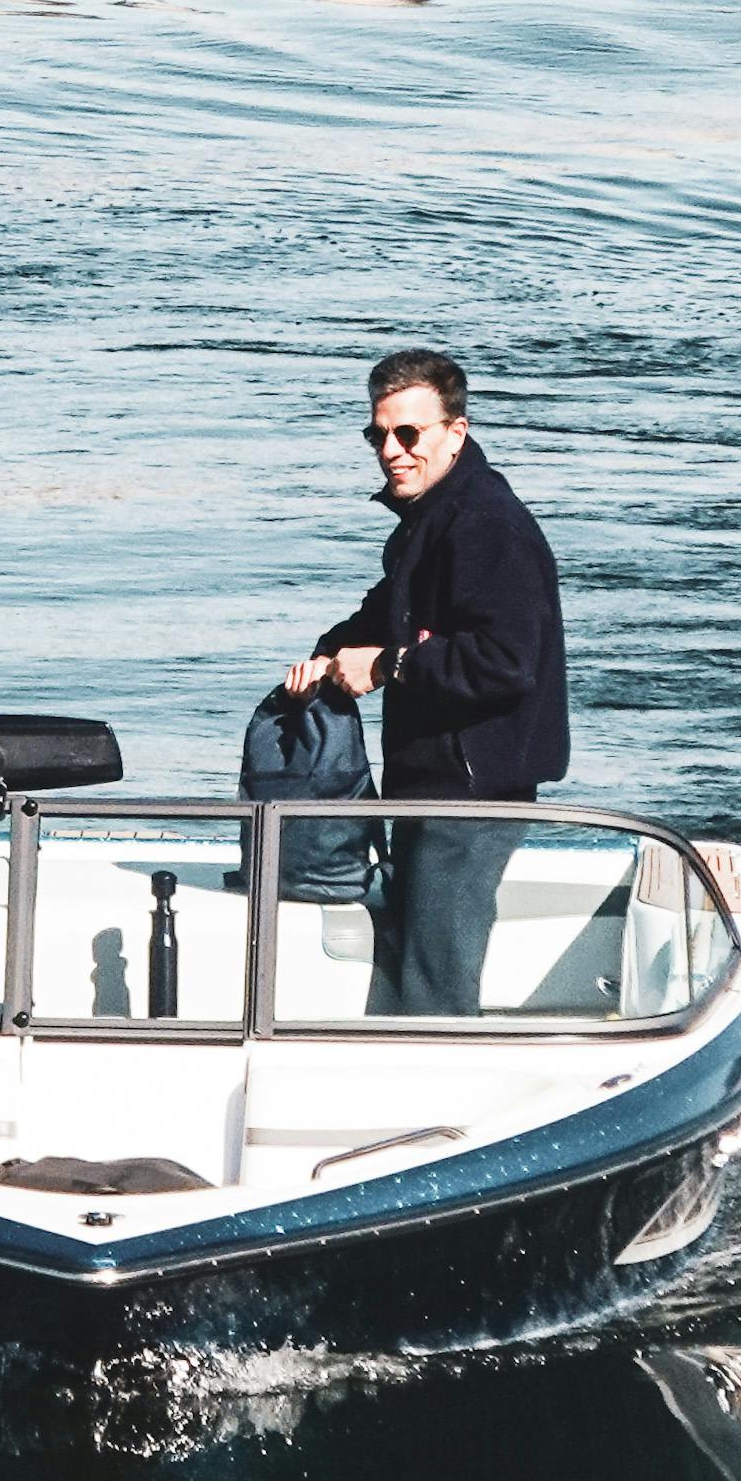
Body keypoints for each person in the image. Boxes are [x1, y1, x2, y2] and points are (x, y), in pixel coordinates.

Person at [278, 348, 568, 1018]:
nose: (392, 450)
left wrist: (387, 666)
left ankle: (454, 1115)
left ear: (455, 432)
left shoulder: (488, 528)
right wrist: (327, 659)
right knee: (415, 960)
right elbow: (385, 613)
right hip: (430, 788)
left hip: (473, 797)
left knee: (438, 985)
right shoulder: (432, 523)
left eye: (409, 433)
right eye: (378, 434)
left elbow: (505, 660)